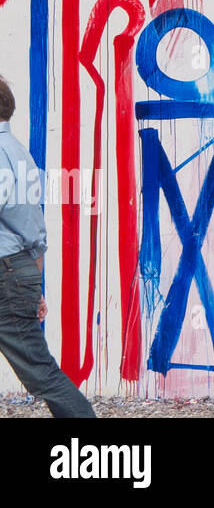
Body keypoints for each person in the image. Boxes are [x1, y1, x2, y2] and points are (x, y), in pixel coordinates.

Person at [0, 76, 95, 418]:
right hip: (17, 269)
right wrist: (34, 286)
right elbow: (36, 230)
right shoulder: (19, 153)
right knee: (40, 369)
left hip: (5, 271)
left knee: (41, 373)